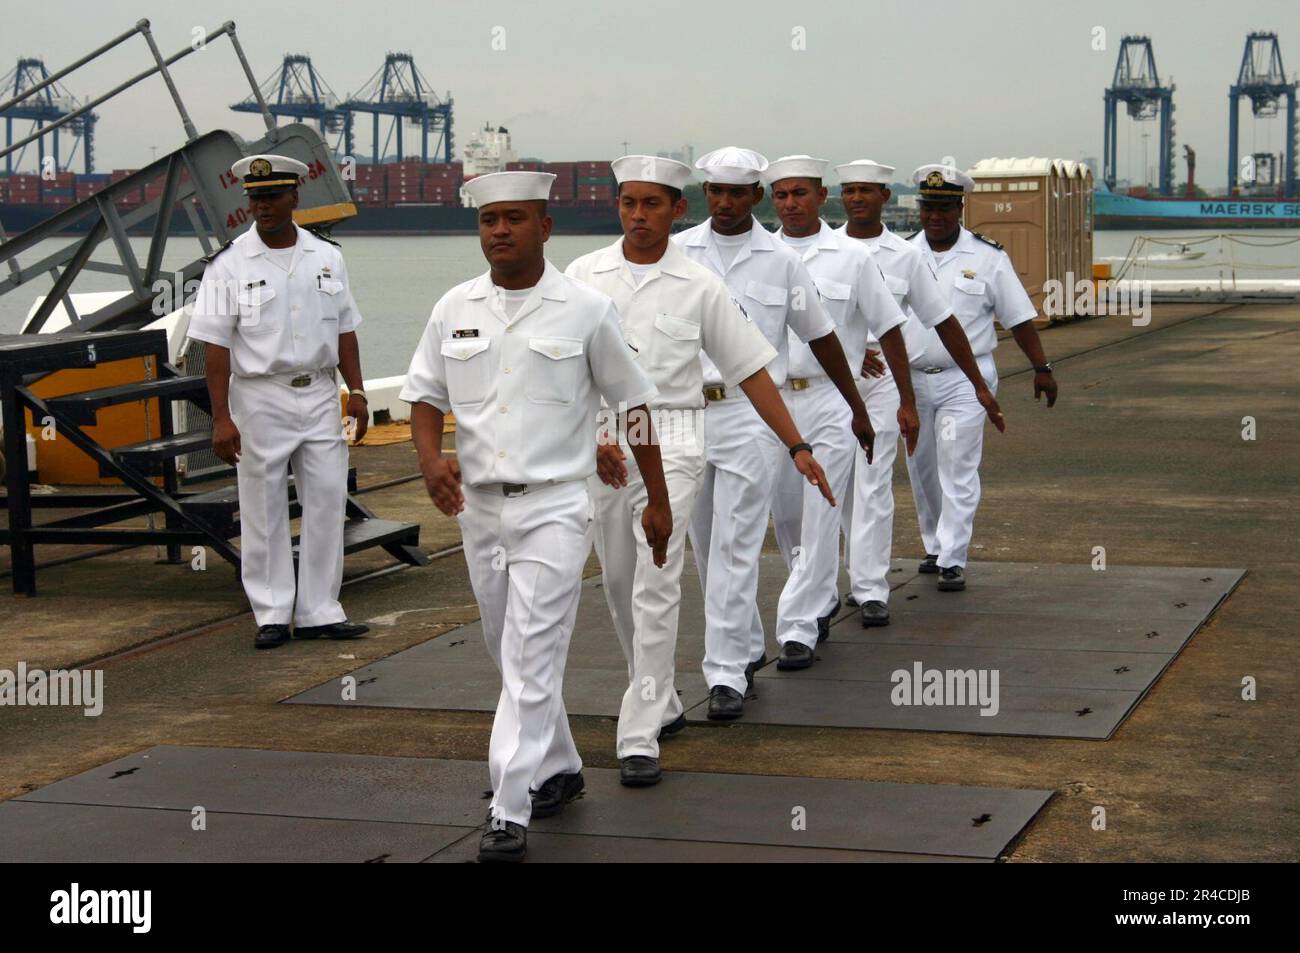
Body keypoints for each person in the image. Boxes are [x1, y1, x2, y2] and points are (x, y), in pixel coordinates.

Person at [402, 170, 670, 863]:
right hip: (478, 506)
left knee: (529, 655)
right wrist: (431, 460)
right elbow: (425, 395)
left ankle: (509, 804)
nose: (499, 230)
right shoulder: (452, 307)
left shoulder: (584, 309)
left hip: (555, 504)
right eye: (489, 219)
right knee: (507, 649)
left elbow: (634, 404)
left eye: (514, 218)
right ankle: (558, 765)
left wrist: (659, 499)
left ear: (545, 227)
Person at [566, 155, 832, 785]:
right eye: (628, 203)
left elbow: (750, 370)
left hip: (677, 433)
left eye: (651, 204)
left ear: (675, 209)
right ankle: (653, 691)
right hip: (605, 441)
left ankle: (639, 734)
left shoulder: (699, 286)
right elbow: (562, 371)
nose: (638, 215)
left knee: (659, 575)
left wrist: (797, 445)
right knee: (619, 580)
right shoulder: (583, 276)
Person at [673, 146, 872, 720]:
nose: (727, 202)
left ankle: (726, 673)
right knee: (705, 544)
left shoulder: (781, 261)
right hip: (687, 413)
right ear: (705, 195)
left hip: (749, 412)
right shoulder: (679, 254)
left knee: (738, 541)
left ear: (756, 197)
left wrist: (856, 405)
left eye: (738, 192)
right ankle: (743, 644)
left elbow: (822, 336)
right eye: (716, 191)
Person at [188, 153, 371, 650]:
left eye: (271, 196)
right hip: (259, 398)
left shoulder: (327, 256)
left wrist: (356, 391)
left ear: (295, 197)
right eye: (254, 197)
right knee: (263, 507)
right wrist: (222, 417)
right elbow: (215, 347)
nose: (261, 206)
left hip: (317, 393)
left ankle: (318, 610)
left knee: (327, 500)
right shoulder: (227, 265)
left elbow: (346, 328)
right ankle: (271, 612)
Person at [836, 158, 1002, 620]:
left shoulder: (906, 256)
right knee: (837, 487)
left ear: (885, 198)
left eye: (867, 190)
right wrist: (849, 352)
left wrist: (979, 385)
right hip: (831, 382)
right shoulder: (821, 249)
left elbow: (943, 322)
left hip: (891, 379)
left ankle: (872, 586)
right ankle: (832, 584)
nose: (857, 198)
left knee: (876, 482)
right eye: (849, 190)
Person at [765, 155, 911, 670]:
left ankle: (798, 627)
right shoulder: (760, 254)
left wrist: (894, 402)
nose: (790, 204)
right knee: (785, 515)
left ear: (820, 195)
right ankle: (818, 592)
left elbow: (889, 327)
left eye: (799, 193)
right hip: (774, 400)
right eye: (780, 195)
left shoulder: (851, 257)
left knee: (821, 510)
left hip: (830, 397)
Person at [904, 164, 1058, 591]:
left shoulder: (988, 258)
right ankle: (934, 544)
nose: (935, 216)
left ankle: (953, 556)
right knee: (920, 466)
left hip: (965, 381)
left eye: (944, 207)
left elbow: (1020, 318)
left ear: (959, 208)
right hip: (912, 380)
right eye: (928, 207)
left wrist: (1041, 367)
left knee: (957, 463)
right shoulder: (899, 255)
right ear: (919, 209)